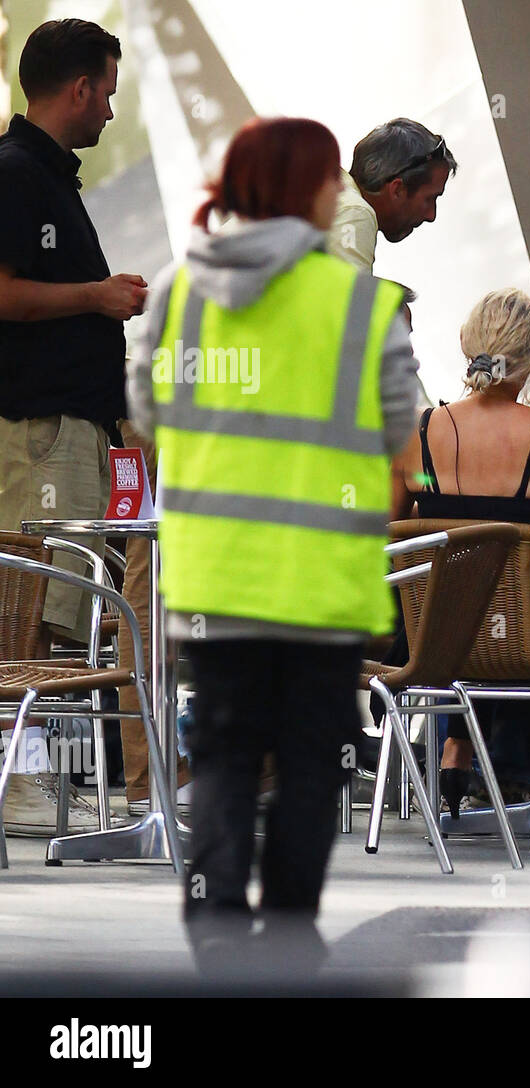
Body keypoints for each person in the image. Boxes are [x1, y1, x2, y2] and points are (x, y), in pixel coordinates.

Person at [127, 116, 419, 972]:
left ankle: (217, 923)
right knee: (307, 764)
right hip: (322, 581)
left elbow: (147, 419)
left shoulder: (176, 296)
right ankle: (290, 931)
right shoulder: (364, 304)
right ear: (312, 191)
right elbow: (396, 426)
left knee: (218, 754)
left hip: (215, 577)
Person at [388, 288, 530, 848]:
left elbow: (386, 533)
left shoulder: (417, 432)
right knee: (529, 629)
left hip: (437, 630)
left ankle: (461, 751)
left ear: (469, 349)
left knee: (486, 631)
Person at [0, 18, 156, 835]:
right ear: (80, 88)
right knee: (21, 606)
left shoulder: (50, 177)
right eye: (107, 94)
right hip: (36, 430)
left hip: (74, 426)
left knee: (58, 610)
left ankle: (24, 776)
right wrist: (94, 298)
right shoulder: (16, 173)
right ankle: (14, 775)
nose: (108, 111)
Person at [327, 118, 456, 274]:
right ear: (397, 189)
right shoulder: (356, 213)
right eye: (429, 199)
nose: (431, 215)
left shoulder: (330, 191)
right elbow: (348, 297)